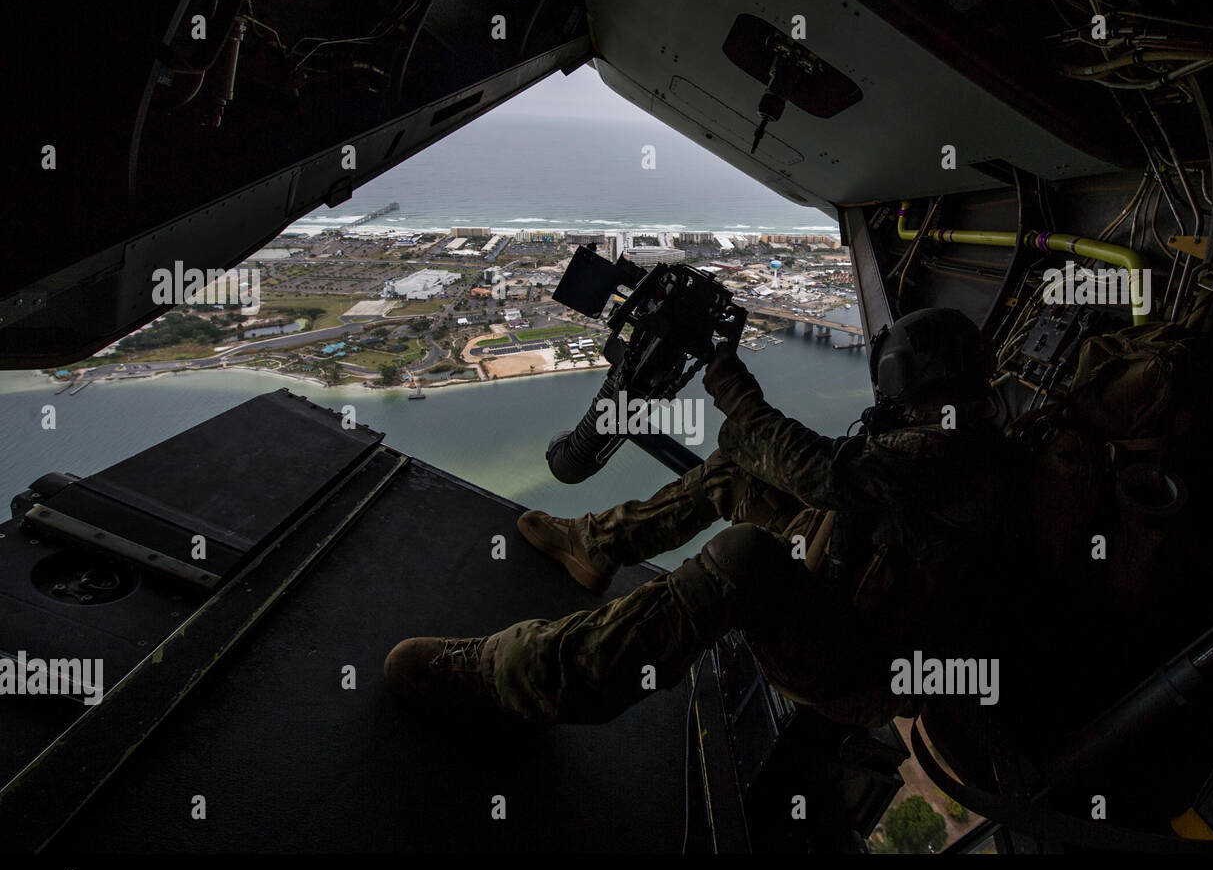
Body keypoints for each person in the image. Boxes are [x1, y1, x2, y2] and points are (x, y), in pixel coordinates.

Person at [385, 307, 1013, 727]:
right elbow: (842, 484)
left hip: (856, 660)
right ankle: (595, 544)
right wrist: (749, 438)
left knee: (743, 557)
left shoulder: (951, 448)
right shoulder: (966, 429)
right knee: (740, 472)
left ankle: (523, 675)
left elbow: (829, 475)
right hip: (851, 584)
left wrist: (742, 404)